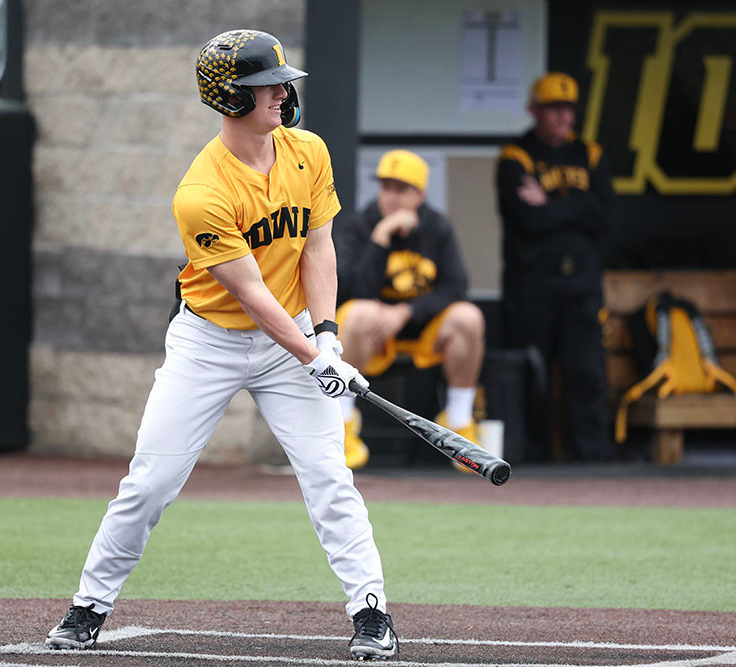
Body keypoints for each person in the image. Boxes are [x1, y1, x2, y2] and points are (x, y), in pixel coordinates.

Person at [43, 30, 398, 661]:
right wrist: (314, 359)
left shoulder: (307, 152)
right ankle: (87, 607)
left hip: (293, 332)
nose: (284, 93)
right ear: (231, 98)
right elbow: (253, 296)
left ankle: (371, 612)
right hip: (208, 341)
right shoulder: (201, 193)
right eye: (269, 84)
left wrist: (327, 335)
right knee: (151, 481)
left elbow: (318, 247)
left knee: (330, 478)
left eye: (283, 83)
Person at [333, 150, 486, 470]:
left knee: (469, 318)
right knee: (358, 312)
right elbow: (348, 291)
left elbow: (456, 288)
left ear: (420, 194)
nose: (391, 197)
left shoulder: (437, 228)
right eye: (386, 187)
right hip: (371, 335)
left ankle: (459, 422)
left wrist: (407, 312)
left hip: (423, 333)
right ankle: (342, 427)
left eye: (401, 190)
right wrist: (380, 239)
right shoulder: (362, 226)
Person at [495, 72, 617, 462]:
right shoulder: (516, 156)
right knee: (535, 379)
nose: (564, 118)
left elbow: (609, 217)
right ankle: (533, 459)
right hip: (532, 288)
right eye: (554, 110)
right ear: (535, 111)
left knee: (586, 376)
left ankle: (593, 460)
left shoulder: (591, 153)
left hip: (581, 288)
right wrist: (579, 208)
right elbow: (528, 221)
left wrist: (549, 203)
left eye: (568, 110)